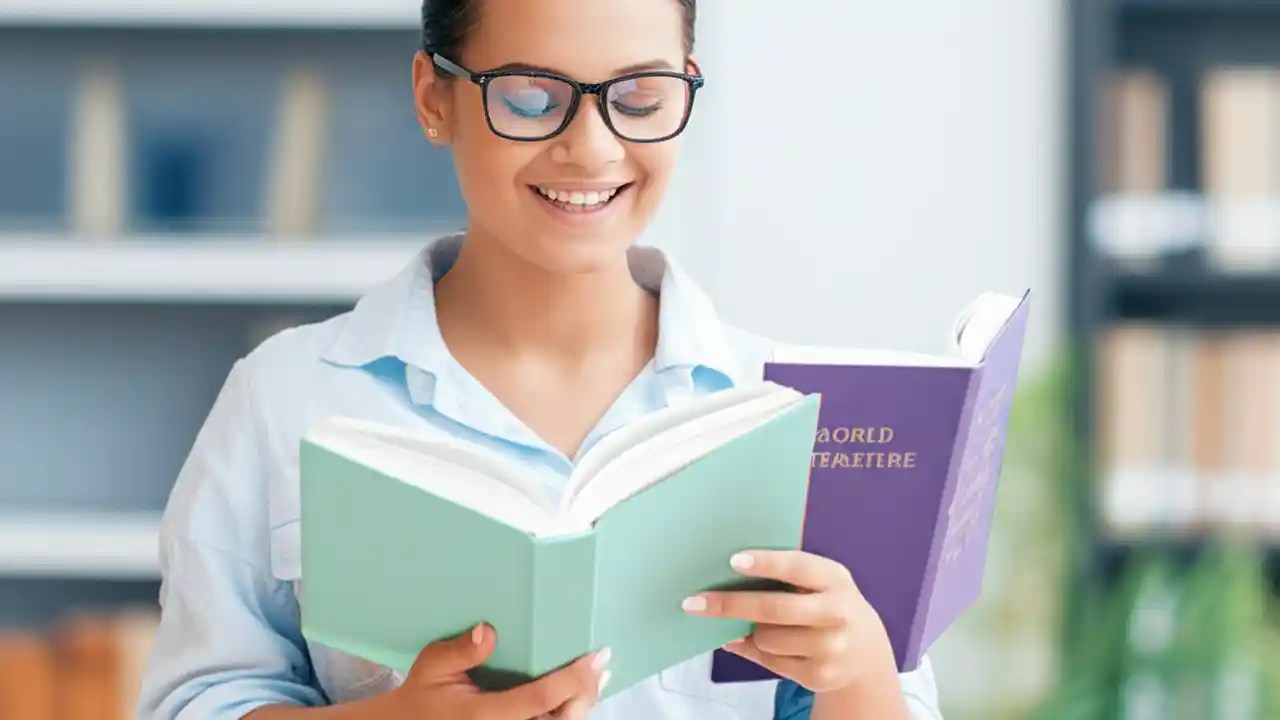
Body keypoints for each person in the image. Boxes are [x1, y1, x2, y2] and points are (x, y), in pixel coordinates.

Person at [136, 0, 944, 718]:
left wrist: (861, 674)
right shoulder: (286, 397)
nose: (591, 150)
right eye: (531, 97)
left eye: (639, 98)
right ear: (433, 96)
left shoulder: (790, 410)